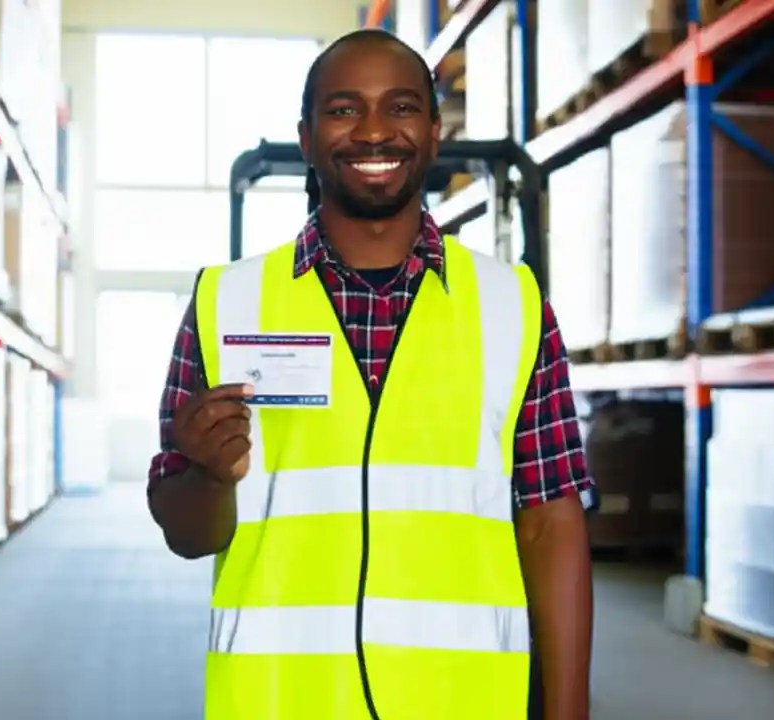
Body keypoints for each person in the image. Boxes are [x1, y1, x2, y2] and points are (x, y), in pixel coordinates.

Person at [148, 29, 595, 720]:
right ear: (305, 136)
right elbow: (187, 534)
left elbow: (552, 523)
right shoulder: (224, 302)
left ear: (436, 131)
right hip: (283, 703)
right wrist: (205, 473)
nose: (375, 131)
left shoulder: (514, 305)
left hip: (462, 703)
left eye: (402, 107)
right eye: (344, 109)